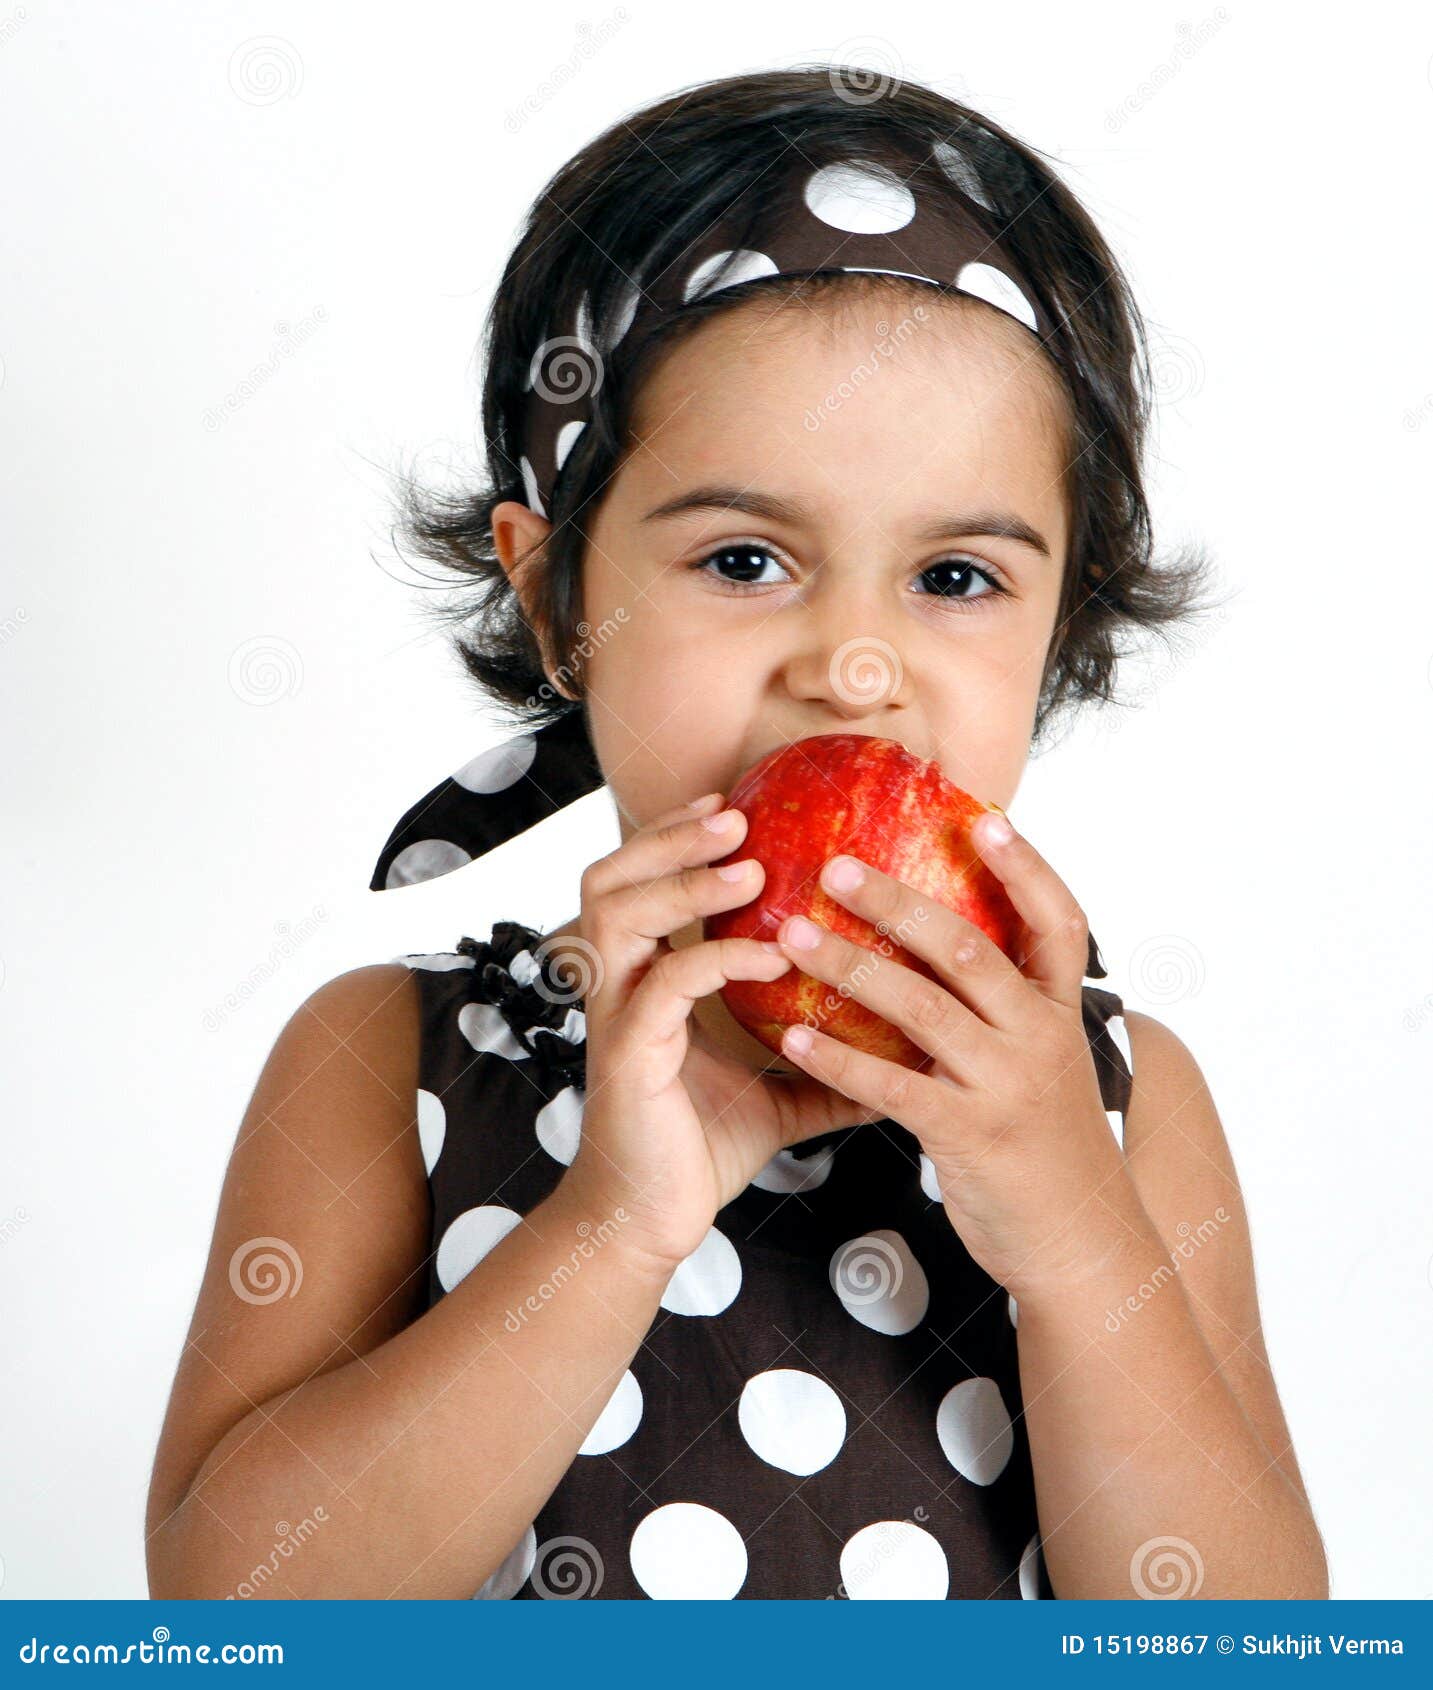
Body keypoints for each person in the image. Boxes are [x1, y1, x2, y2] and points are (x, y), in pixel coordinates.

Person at [145, 64, 1328, 1601]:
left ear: (1057, 628)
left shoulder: (1111, 1103)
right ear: (561, 599)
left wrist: (1074, 1234)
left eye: (955, 578)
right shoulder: (397, 1054)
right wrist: (616, 1221)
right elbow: (230, 1609)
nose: (849, 662)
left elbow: (1248, 1641)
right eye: (747, 556)